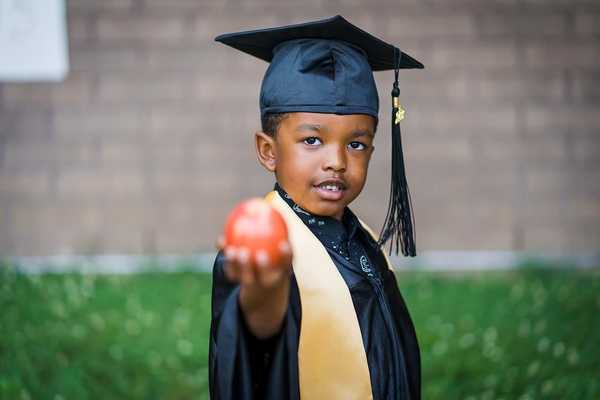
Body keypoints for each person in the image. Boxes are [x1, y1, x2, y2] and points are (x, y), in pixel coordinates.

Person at [209, 15, 423, 400]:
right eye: (312, 141)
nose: (337, 161)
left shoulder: (362, 239)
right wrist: (262, 296)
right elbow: (250, 360)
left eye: (356, 144)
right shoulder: (266, 251)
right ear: (268, 151)